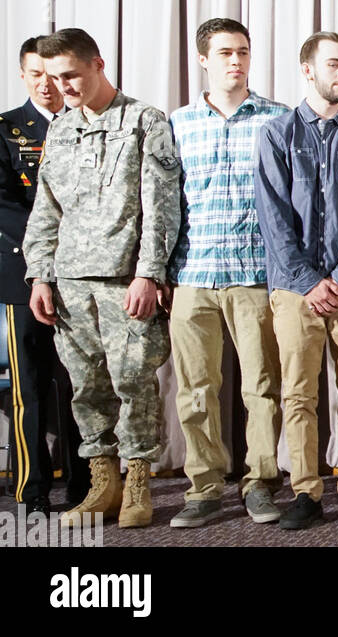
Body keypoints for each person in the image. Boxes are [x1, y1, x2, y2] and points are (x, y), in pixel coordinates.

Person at [23, 28, 182, 528]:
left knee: (133, 381)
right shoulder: (61, 130)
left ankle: (138, 481)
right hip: (70, 282)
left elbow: (160, 204)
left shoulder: (143, 120)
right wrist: (40, 275)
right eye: (52, 77)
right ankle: (102, 484)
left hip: (123, 280)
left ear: (98, 64)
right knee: (86, 388)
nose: (62, 86)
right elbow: (46, 210)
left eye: (70, 74)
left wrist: (150, 273)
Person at [255, 32, 338, 529]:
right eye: (335, 64)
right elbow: (272, 218)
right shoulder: (276, 134)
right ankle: (306, 492)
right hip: (294, 292)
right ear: (308, 70)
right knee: (298, 394)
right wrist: (309, 281)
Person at [165, 18, 291, 528]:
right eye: (224, 53)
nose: (235, 62)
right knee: (195, 388)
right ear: (203, 59)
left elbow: (292, 203)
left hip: (255, 275)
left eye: (242, 52)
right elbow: (165, 203)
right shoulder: (177, 123)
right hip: (192, 275)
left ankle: (259, 482)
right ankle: (204, 487)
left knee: (261, 386)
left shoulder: (278, 120)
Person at [1, 36, 88, 515]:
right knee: (29, 389)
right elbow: (7, 205)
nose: (47, 84)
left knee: (80, 387)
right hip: (21, 277)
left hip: (81, 277)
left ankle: (82, 488)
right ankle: (32, 492)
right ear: (24, 75)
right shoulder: (7, 130)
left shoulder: (84, 126)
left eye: (53, 75)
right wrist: (45, 256)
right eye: (36, 74)